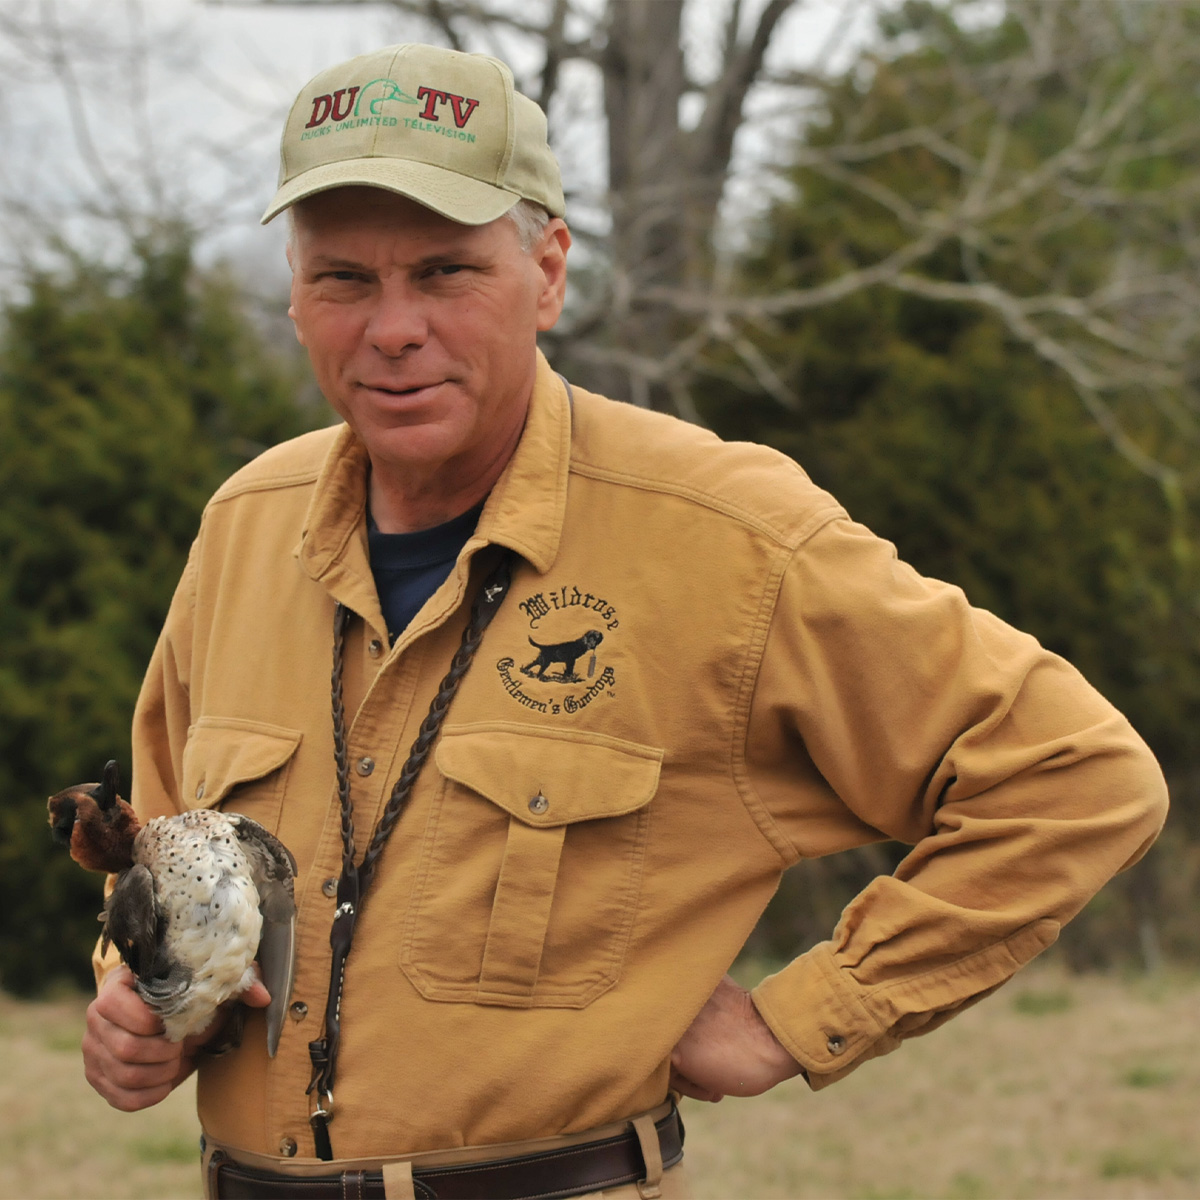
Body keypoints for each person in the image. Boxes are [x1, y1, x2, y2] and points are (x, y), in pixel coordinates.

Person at [80, 41, 1168, 1200]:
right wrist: (143, 997)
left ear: (548, 272)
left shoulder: (725, 534)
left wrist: (800, 1020)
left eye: (446, 272)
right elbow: (161, 831)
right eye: (344, 278)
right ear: (296, 293)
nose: (392, 327)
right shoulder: (244, 527)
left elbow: (1075, 777)